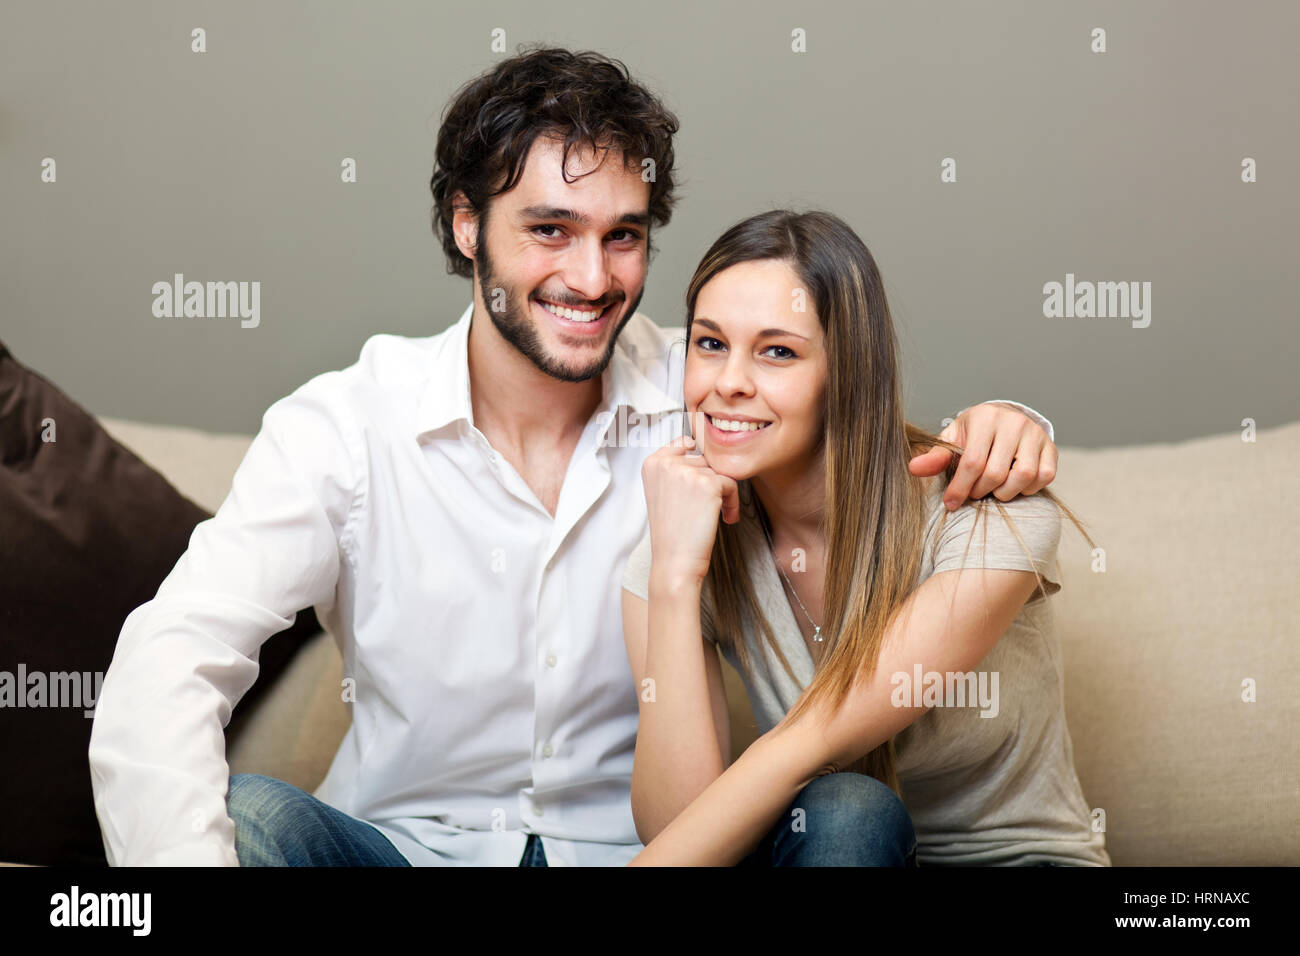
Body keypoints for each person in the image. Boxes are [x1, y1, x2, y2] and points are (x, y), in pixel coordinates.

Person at [88, 47, 1061, 867]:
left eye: (623, 237)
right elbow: (176, 650)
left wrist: (1007, 420)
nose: (591, 279)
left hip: (643, 850)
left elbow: (829, 395)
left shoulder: (698, 395)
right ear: (467, 224)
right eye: (549, 229)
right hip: (406, 847)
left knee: (846, 809)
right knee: (254, 814)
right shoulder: (345, 425)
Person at [621, 209, 1109, 867]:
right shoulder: (684, 544)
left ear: (847, 373)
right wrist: (674, 578)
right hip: (836, 849)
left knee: (843, 802)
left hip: (1015, 860)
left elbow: (806, 747)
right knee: (845, 812)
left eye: (778, 351)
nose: (728, 383)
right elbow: (682, 826)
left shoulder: (986, 512)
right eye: (710, 344)